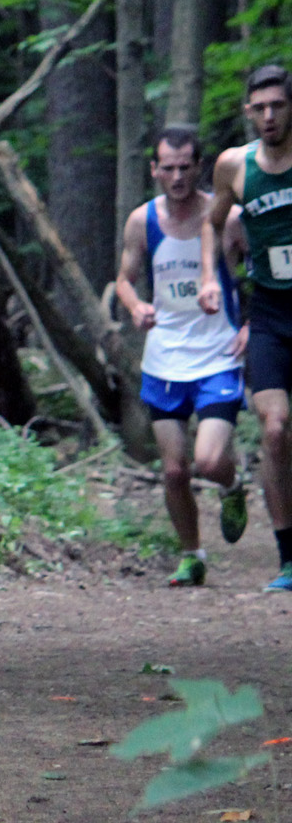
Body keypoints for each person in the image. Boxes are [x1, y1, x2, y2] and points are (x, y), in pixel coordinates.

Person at [117, 126, 247, 586]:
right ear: (154, 170)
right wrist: (137, 307)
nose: (176, 176)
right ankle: (192, 555)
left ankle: (232, 487)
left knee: (208, 461)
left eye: (184, 167)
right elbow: (125, 278)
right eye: (166, 168)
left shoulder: (226, 218)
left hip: (217, 355)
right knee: (174, 470)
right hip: (165, 357)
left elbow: (263, 274)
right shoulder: (142, 221)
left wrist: (252, 325)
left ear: (199, 167)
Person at [202, 63, 292, 593]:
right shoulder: (234, 167)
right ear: (246, 113)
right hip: (270, 315)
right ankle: (287, 556)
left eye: (277, 105)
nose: (268, 116)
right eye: (258, 108)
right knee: (275, 430)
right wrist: (219, 281)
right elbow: (214, 225)